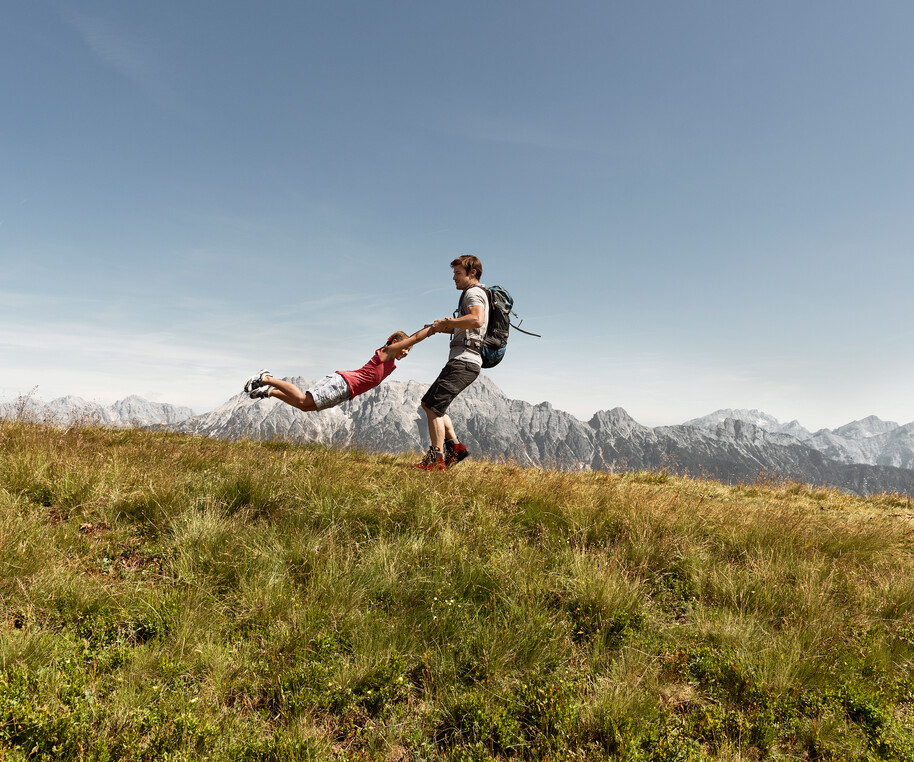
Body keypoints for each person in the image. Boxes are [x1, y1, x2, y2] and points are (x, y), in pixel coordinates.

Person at [244, 326, 432, 412]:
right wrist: (432, 329)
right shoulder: (387, 352)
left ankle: (270, 392)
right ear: (396, 343)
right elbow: (415, 338)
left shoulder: (391, 362)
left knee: (305, 407)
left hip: (346, 392)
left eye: (409, 350)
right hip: (342, 383)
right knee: (302, 398)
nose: (407, 352)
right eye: (405, 348)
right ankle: (266, 378)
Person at [414, 254, 488, 471]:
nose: (454, 278)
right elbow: (468, 325)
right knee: (430, 403)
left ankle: (436, 460)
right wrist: (442, 327)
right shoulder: (471, 294)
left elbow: (476, 319)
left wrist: (449, 321)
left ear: (472, 273)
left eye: (458, 273)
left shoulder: (473, 293)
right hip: (464, 360)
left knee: (434, 407)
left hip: (464, 360)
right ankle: (456, 448)